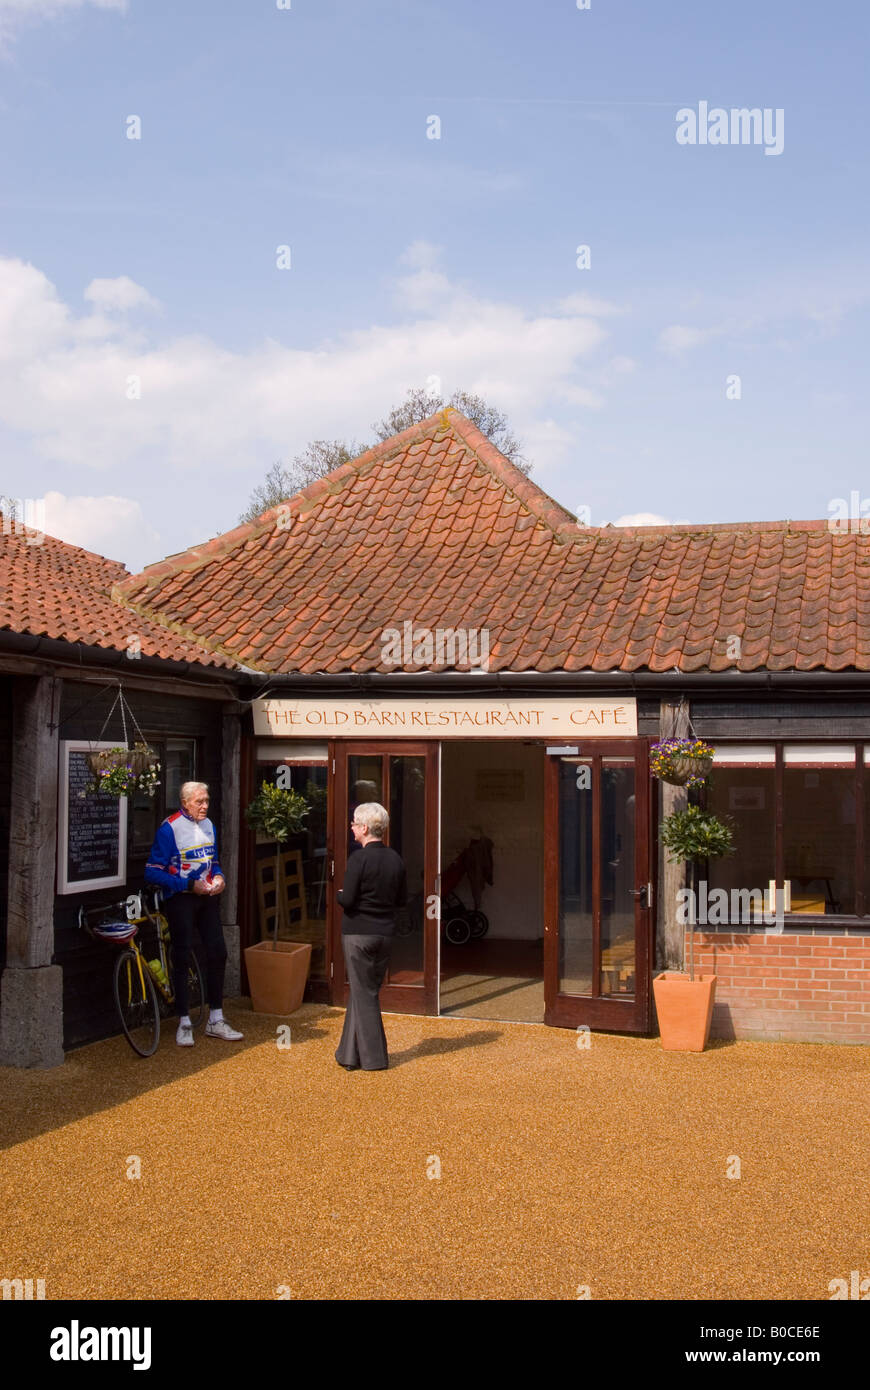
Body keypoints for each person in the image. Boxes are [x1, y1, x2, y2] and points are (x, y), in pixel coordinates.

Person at [144, 781, 244, 1046]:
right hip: (181, 900)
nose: (205, 806)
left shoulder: (209, 825)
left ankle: (216, 1018)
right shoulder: (170, 828)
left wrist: (220, 877)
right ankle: (183, 1021)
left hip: (208, 898)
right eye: (199, 802)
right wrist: (188, 885)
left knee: (218, 952)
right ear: (185, 802)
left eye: (207, 801)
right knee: (182, 954)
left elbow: (213, 861)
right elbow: (152, 871)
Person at [335, 802, 406, 1072]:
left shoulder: (358, 859)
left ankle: (375, 1058)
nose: (351, 827)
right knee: (363, 991)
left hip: (358, 934)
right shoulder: (396, 859)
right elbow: (400, 899)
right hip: (385, 934)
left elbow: (348, 899)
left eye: (354, 823)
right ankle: (348, 1054)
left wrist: (340, 894)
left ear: (364, 828)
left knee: (364, 994)